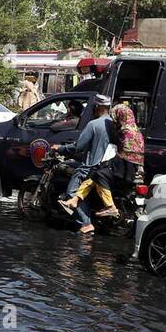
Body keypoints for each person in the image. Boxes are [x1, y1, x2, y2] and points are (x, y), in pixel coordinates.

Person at [54, 94, 118, 234]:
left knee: (72, 192)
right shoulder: (114, 123)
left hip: (91, 167)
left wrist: (60, 148)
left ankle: (85, 223)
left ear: (97, 107)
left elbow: (79, 146)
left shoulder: (94, 124)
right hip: (111, 167)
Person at [111, 102, 145, 186]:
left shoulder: (125, 131)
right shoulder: (136, 130)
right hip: (136, 169)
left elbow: (122, 152)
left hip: (125, 169)